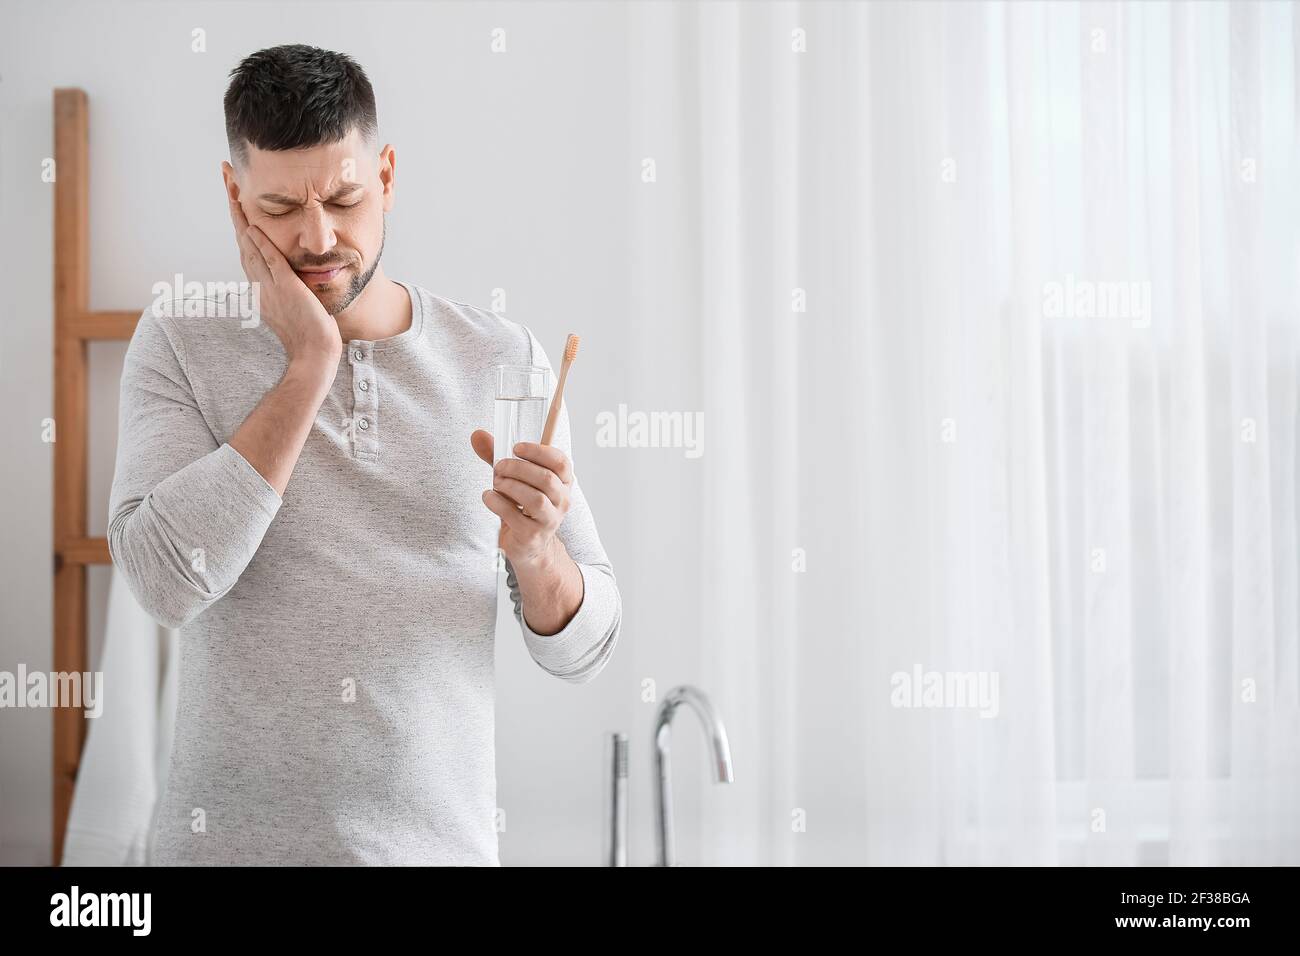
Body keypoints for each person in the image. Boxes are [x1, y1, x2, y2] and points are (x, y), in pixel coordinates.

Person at [107, 44, 621, 865]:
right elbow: (165, 585)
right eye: (279, 208)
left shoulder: (501, 359)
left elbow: (587, 647)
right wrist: (310, 366)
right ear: (235, 197)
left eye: (344, 197)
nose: (318, 236)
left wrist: (537, 557)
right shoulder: (178, 343)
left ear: (385, 176)